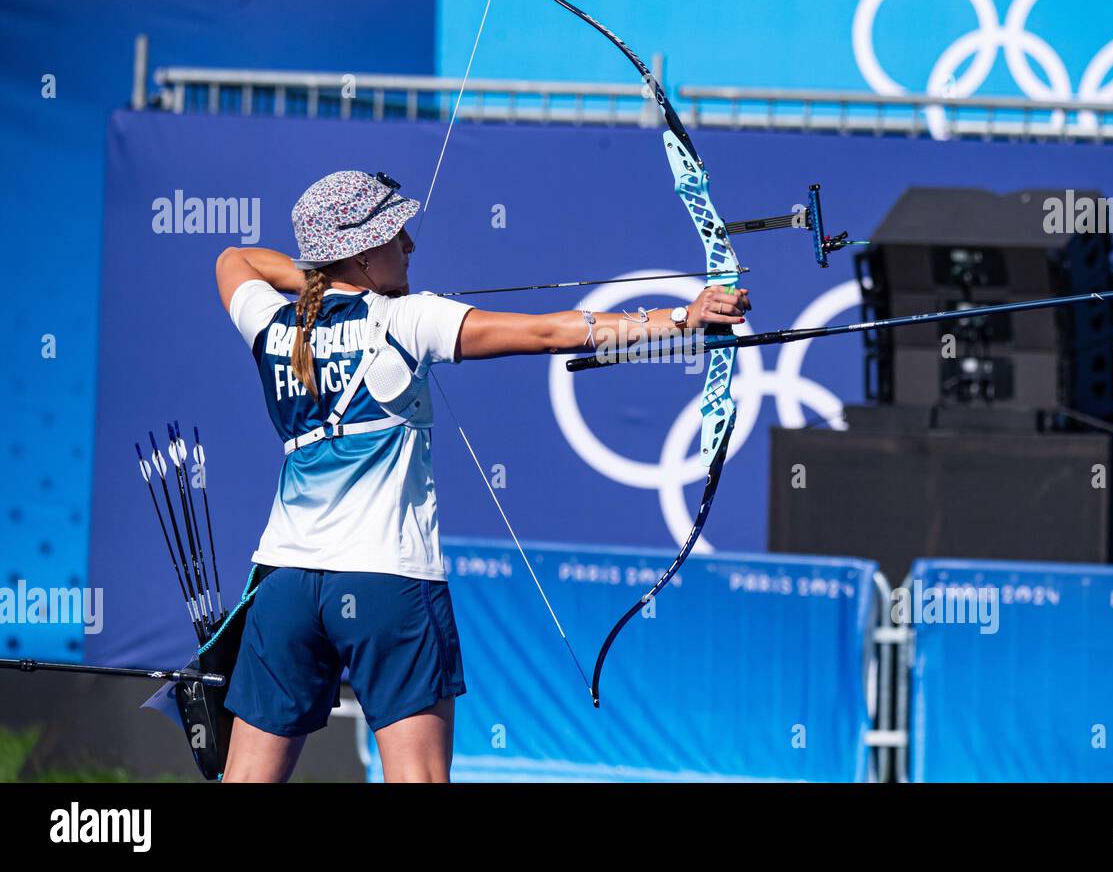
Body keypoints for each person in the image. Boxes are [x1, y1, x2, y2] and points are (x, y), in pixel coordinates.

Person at [213, 169, 750, 782]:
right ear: (362, 254)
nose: (409, 244)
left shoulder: (273, 327)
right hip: (388, 581)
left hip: (285, 582)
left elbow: (234, 258)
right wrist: (683, 318)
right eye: (395, 234)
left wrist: (324, 278)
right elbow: (552, 332)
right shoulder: (409, 319)